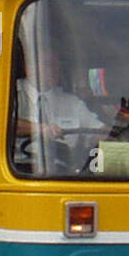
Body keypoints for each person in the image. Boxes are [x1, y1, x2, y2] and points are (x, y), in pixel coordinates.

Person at [13, 41, 103, 174]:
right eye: (48, 64)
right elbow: (5, 125)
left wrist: (106, 136)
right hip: (18, 169)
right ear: (29, 67)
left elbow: (98, 130)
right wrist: (41, 129)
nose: (55, 69)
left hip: (62, 172)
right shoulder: (10, 93)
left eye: (58, 65)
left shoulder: (71, 102)